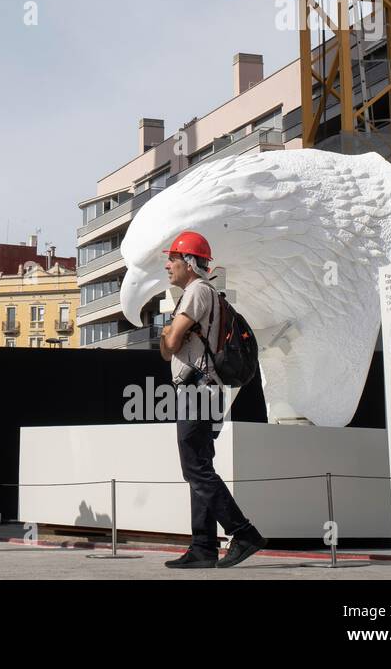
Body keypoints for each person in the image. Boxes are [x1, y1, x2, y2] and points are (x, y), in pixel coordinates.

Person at [159, 230, 266, 569]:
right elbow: (167, 349)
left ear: (189, 263)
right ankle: (203, 547)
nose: (168, 265)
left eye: (173, 258)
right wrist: (170, 337)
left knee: (194, 468)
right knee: (200, 469)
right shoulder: (202, 293)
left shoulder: (196, 292)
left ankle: (243, 532)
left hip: (195, 389)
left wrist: (169, 333)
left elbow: (171, 344)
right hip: (204, 389)